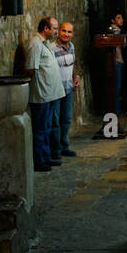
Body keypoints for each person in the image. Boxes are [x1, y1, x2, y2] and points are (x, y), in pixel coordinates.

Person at [25, 17, 65, 172]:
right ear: (46, 29)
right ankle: (38, 160)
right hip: (41, 94)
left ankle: (46, 156)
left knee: (47, 127)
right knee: (40, 129)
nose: (56, 31)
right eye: (54, 28)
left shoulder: (45, 44)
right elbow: (31, 68)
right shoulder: (36, 44)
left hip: (50, 94)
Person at [51, 19, 81, 160]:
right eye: (64, 31)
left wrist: (76, 77)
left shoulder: (72, 47)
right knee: (55, 121)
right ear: (58, 31)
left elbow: (72, 65)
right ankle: (55, 149)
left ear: (72, 34)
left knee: (67, 119)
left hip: (68, 89)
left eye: (69, 32)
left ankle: (64, 145)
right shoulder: (51, 48)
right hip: (56, 90)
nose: (66, 34)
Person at [107, 12, 126, 115]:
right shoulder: (115, 30)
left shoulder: (116, 29)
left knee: (116, 86)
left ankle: (115, 109)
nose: (121, 19)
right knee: (116, 86)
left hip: (117, 60)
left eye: (121, 17)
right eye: (118, 18)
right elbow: (122, 44)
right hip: (116, 61)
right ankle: (115, 110)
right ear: (113, 20)